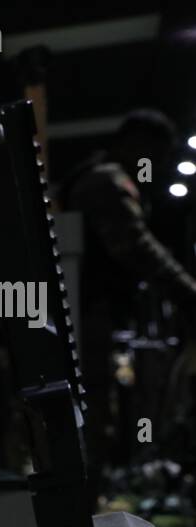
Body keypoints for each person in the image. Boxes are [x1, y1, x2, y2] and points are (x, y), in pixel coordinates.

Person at [59, 110, 196, 475]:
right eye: (156, 153)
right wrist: (188, 293)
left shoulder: (99, 178)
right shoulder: (106, 182)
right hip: (83, 314)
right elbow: (136, 247)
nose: (159, 164)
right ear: (135, 144)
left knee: (93, 411)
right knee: (90, 411)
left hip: (84, 312)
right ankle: (78, 507)